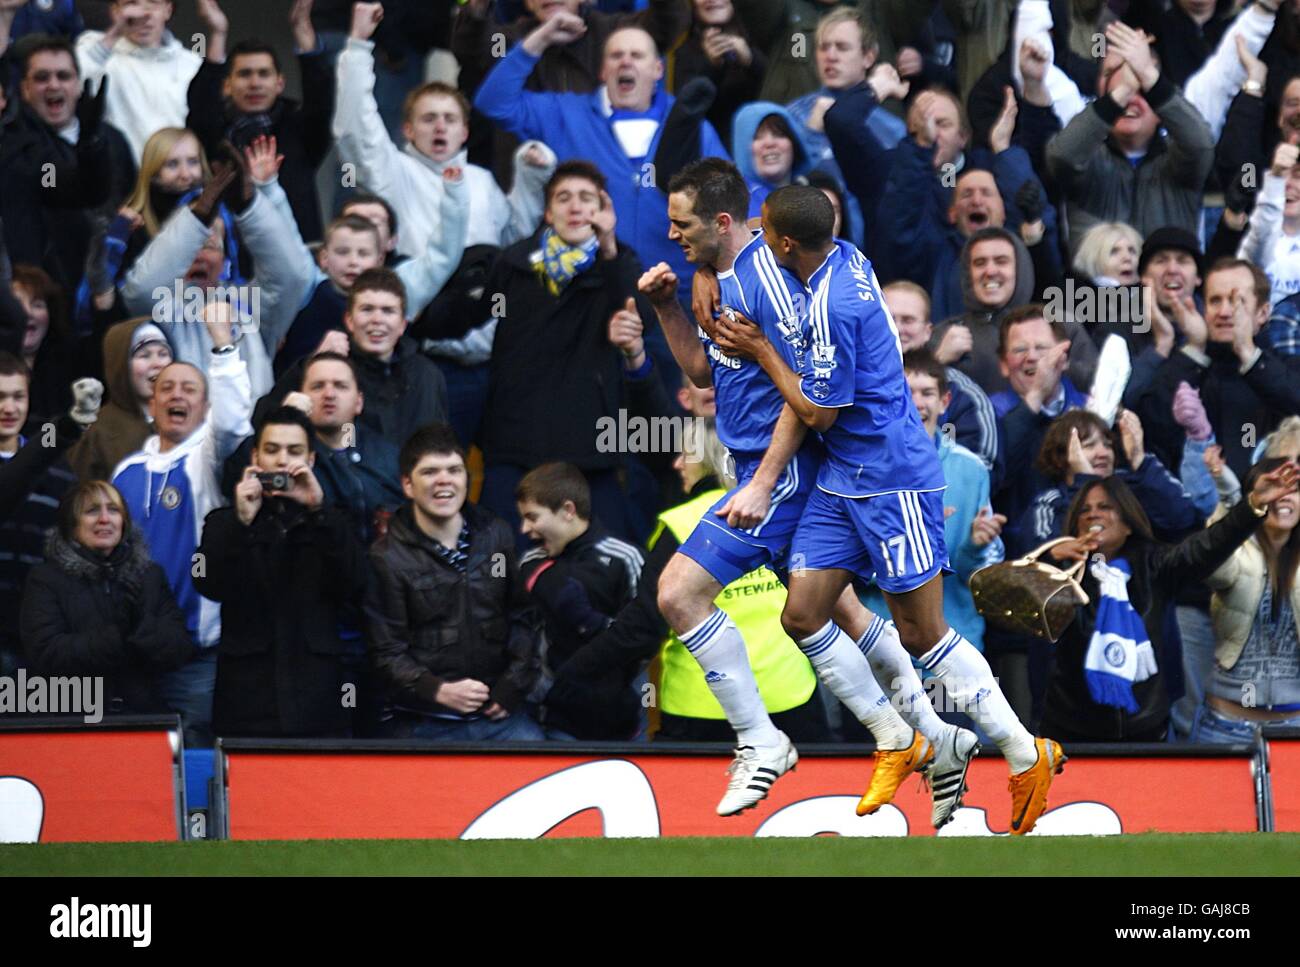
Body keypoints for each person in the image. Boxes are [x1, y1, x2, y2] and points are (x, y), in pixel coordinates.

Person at [710, 184, 1065, 835]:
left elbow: (817, 411)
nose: (759, 240)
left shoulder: (835, 303)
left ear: (787, 242)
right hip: (844, 479)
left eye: (765, 234)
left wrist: (762, 352)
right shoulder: (845, 256)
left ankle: (1023, 749)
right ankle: (901, 737)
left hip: (892, 479)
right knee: (803, 611)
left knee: (921, 633)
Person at [641, 159, 974, 824]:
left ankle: (764, 739)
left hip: (784, 477)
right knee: (841, 612)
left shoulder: (773, 282)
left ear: (724, 222)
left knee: (679, 592)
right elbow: (705, 371)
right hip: (774, 473)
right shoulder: (725, 274)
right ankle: (935, 736)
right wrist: (666, 305)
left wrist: (763, 482)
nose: (672, 236)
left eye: (682, 226)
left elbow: (809, 393)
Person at [474, 13, 728, 302]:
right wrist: (540, 39)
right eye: (616, 55)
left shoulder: (691, 126)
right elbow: (492, 102)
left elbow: (731, 200)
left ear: (658, 69)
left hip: (676, 297)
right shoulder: (565, 114)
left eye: (637, 55)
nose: (626, 62)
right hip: (589, 297)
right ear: (603, 71)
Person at [1037, 463, 1300, 741]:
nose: (1093, 514)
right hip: (1070, 731)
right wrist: (1050, 560)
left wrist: (1252, 506)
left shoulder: (1155, 564)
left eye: (1105, 507)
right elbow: (1014, 605)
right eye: (1085, 510)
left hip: (1145, 730)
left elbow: (1206, 546)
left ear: (1128, 523)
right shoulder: (1062, 571)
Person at [476, 160, 659, 543]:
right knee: (504, 555)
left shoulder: (619, 262)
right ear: (547, 211)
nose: (575, 207)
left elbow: (641, 317)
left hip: (590, 444)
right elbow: (469, 316)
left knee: (605, 560)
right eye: (564, 198)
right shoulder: (513, 264)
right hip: (514, 437)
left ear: (603, 210)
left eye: (586, 198)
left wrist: (608, 248)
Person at [110, 302, 253, 746]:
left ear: (205, 405)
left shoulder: (207, 457)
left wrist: (222, 346)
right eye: (166, 387)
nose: (177, 395)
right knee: (138, 768)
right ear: (151, 404)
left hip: (196, 654)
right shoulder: (124, 471)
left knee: (194, 765)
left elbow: (233, 424)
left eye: (190, 389)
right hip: (132, 653)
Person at [651, 417, 830, 741]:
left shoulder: (680, 521)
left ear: (707, 458)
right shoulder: (786, 513)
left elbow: (644, 623)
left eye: (685, 454)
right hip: (789, 694)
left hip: (701, 707)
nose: (677, 464)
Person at [364, 423, 545, 741]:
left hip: (500, 717)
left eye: (454, 470)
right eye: (430, 472)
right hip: (423, 720)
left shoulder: (496, 535)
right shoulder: (386, 557)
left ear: (466, 478)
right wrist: (438, 691)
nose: (444, 480)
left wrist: (512, 685)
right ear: (407, 484)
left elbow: (522, 618)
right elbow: (386, 652)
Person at [335, 2, 551, 264]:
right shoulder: (393, 172)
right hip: (420, 300)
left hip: (478, 298)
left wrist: (530, 176)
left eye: (450, 119)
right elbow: (355, 127)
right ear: (408, 130)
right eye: (429, 119)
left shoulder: (482, 181)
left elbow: (515, 237)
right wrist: (358, 44)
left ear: (464, 132)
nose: (440, 126)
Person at [195, 406, 366, 737]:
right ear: (256, 456)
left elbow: (357, 583)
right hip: (248, 699)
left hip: (317, 698)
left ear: (311, 460)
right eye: (272, 450)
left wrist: (318, 511)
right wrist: (241, 523)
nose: (281, 460)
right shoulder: (223, 522)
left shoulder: (333, 521)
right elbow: (207, 582)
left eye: (294, 451)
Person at [118, 140, 314, 400]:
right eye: (191, 248)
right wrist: (197, 218)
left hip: (252, 437)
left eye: (209, 246)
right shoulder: (162, 309)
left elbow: (292, 278)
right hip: (177, 433)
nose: (199, 256)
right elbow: (139, 290)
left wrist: (249, 207)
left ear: (224, 258)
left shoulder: (247, 306)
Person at [20, 480, 196, 716]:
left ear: (123, 521)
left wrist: (142, 632)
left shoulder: (149, 575)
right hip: (73, 718)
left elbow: (179, 646)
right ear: (72, 525)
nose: (104, 519)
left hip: (140, 717)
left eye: (113, 510)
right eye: (92, 511)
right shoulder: (45, 579)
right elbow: (46, 653)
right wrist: (116, 636)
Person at [1045, 21, 1214, 257]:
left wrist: (1148, 75)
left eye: (1142, 88)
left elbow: (1201, 145)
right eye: (1115, 77)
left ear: (1160, 106)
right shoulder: (1089, 161)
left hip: (1163, 290)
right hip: (1098, 293)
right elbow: (1061, 157)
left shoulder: (1179, 164)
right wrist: (1120, 94)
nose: (1131, 97)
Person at [1138, 257, 1300, 483]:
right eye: (1215, 301)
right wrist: (1195, 348)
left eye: (1236, 301)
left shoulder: (1286, 367)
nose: (1224, 312)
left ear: (1262, 313)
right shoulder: (1189, 365)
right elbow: (1152, 427)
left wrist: (1248, 353)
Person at [517, 462, 647, 739]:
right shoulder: (531, 564)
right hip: (554, 720)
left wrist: (592, 624)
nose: (525, 528)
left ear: (567, 511)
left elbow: (643, 637)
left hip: (621, 722)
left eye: (532, 517)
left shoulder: (625, 558)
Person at [255, 268, 450, 453]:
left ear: (402, 325)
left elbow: (439, 445)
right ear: (349, 320)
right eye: (367, 309)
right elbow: (263, 422)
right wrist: (311, 365)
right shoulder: (322, 371)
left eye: (388, 311)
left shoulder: (427, 375)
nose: (377, 319)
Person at [186, 0, 332, 242]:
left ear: (280, 83)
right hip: (231, 260)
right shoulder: (216, 132)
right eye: (245, 74)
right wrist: (218, 32)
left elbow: (321, 98)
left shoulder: (300, 129)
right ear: (227, 85)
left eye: (264, 74)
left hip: (297, 253)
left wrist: (302, 30)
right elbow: (201, 107)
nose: (255, 83)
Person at [0, 34, 135, 292]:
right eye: (41, 78)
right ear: (24, 89)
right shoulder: (18, 146)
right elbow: (60, 183)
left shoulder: (108, 138)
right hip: (48, 284)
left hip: (108, 278)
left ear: (78, 84)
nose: (53, 85)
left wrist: (92, 140)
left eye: (63, 76)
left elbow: (127, 195)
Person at [893, 350, 1005, 656]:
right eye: (906, 391)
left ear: (944, 402)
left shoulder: (971, 469)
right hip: (886, 652)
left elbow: (983, 575)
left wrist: (976, 545)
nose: (917, 403)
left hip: (956, 647)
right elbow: (850, 573)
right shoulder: (865, 467)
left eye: (927, 393)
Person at [0, 358, 101, 675]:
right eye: (0, 397)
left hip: (39, 634)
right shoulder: (43, 456)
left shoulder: (58, 470)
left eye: (18, 396)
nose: (10, 408)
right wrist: (68, 426)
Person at [1198, 456, 1300, 741]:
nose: (1282, 496)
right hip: (1225, 727)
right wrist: (1231, 506)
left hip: (1295, 732)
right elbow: (1210, 561)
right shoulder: (1236, 553)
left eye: (1292, 488)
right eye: (1271, 488)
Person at [884, 280, 1000, 480]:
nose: (896, 328)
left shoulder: (963, 394)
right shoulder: (850, 385)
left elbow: (982, 466)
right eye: (888, 318)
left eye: (908, 320)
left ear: (928, 331)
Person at [74, 0, 203, 163]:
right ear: (115, 11)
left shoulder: (191, 64)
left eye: (152, 4)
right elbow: (72, 89)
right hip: (122, 179)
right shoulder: (95, 50)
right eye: (131, 4)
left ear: (168, 10)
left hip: (181, 179)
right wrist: (115, 33)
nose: (142, 14)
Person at [68, 319, 170, 482]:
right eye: (144, 355)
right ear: (120, 365)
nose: (157, 364)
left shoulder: (187, 420)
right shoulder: (97, 432)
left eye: (163, 354)